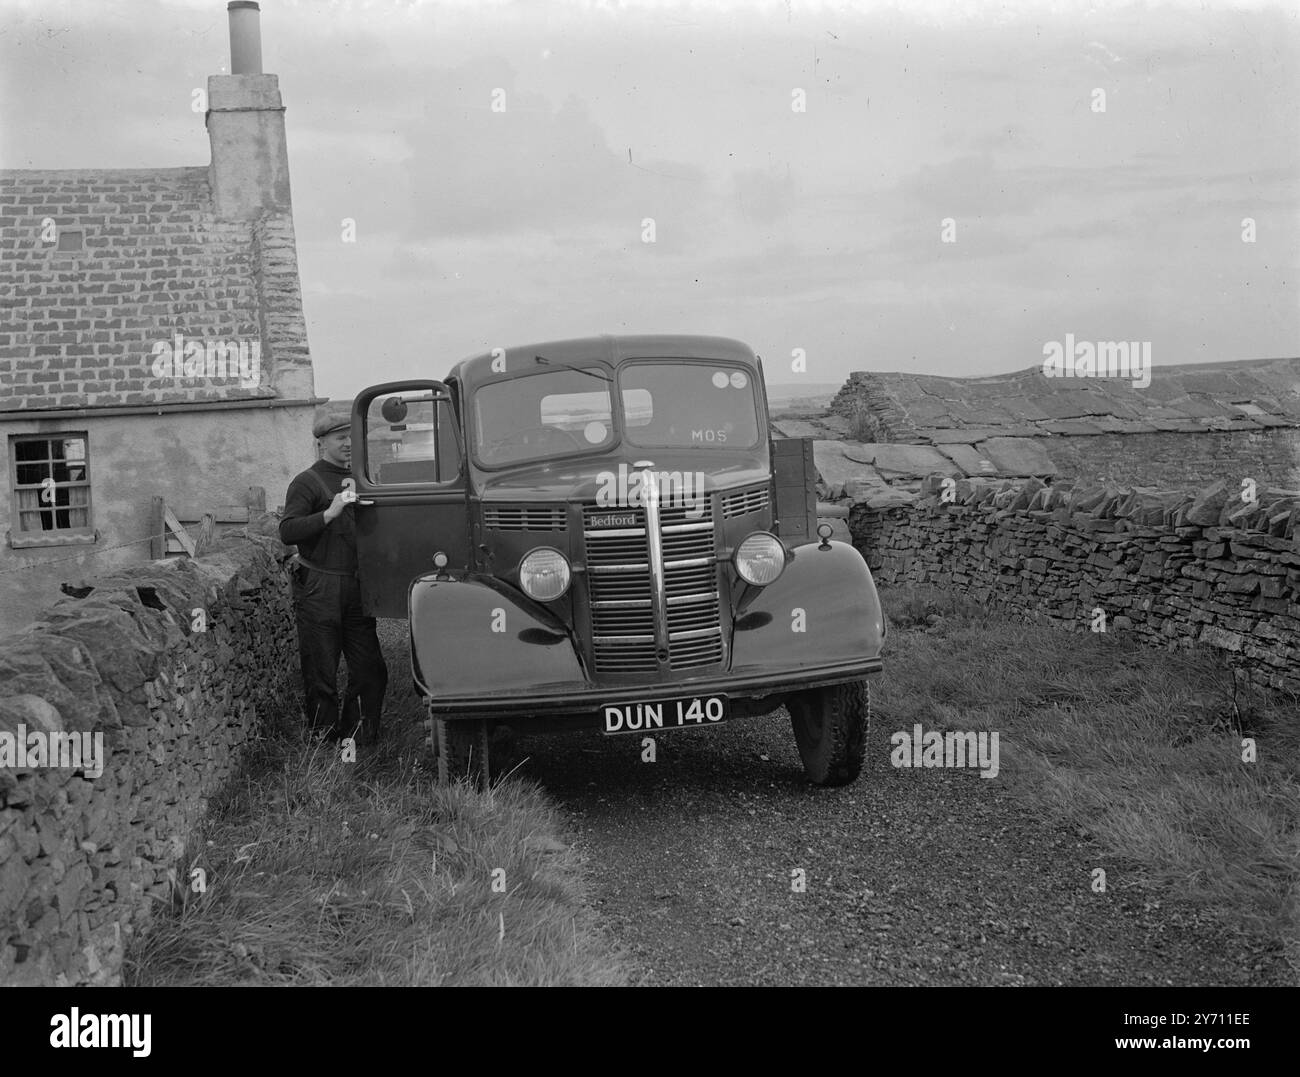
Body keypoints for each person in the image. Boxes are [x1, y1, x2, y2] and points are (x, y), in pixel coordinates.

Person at [279, 404, 388, 745]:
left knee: (370, 669)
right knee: (321, 671)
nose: (348, 444)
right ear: (321, 443)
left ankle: (357, 739)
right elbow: (288, 531)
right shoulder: (306, 482)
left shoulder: (365, 478)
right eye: (341, 438)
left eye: (353, 438)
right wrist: (329, 513)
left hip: (357, 585)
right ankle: (324, 743)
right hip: (319, 587)